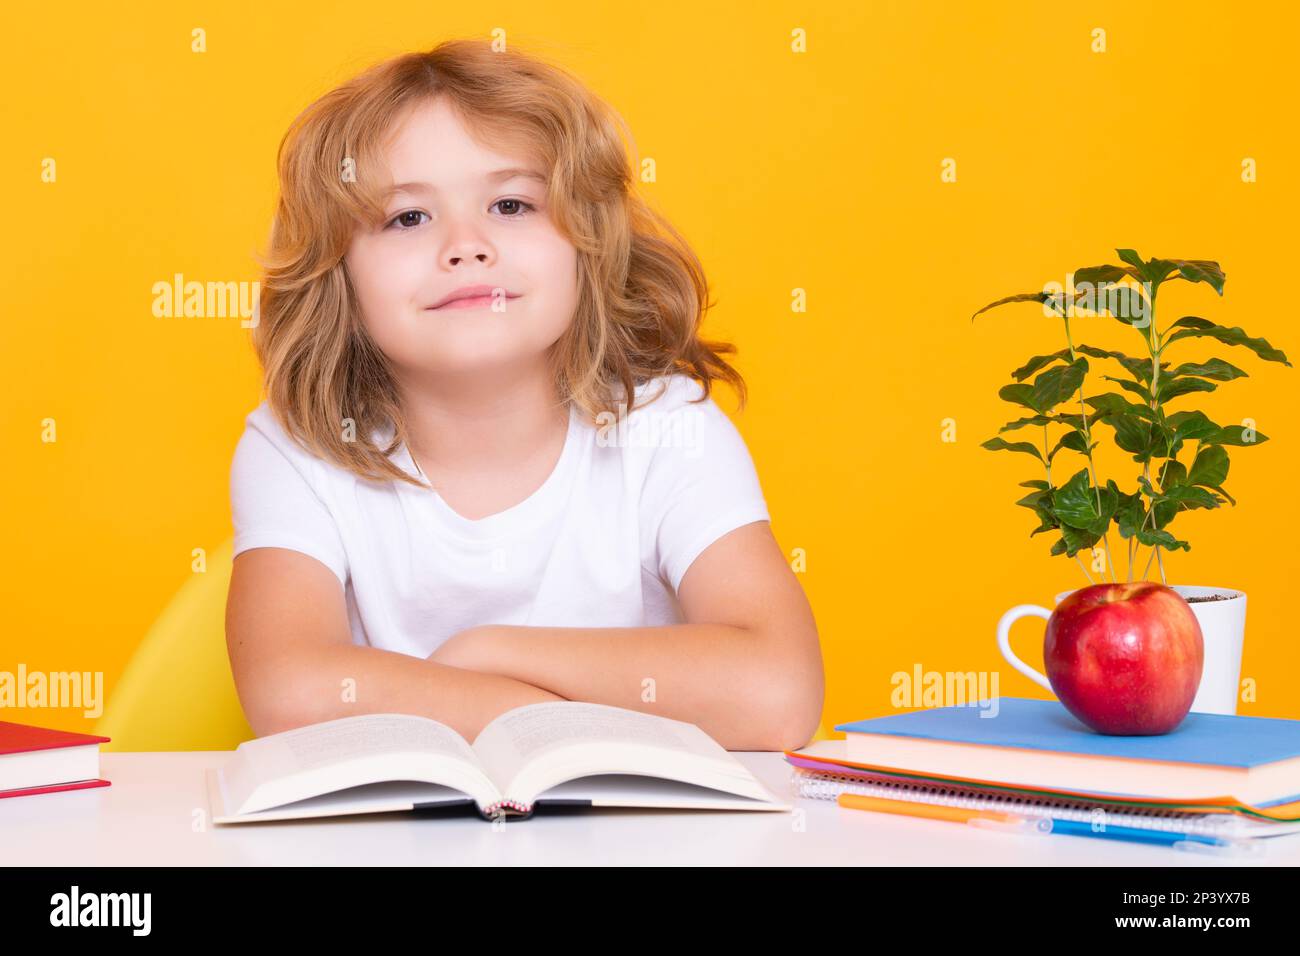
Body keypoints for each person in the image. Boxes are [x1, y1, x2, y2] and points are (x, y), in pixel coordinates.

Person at [225, 38, 823, 751]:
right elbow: (290, 691)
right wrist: (561, 715)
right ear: (339, 277)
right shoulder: (295, 446)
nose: (466, 245)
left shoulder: (667, 427)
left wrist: (489, 651)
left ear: (588, 244)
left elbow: (779, 695)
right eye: (408, 218)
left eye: (511, 204)